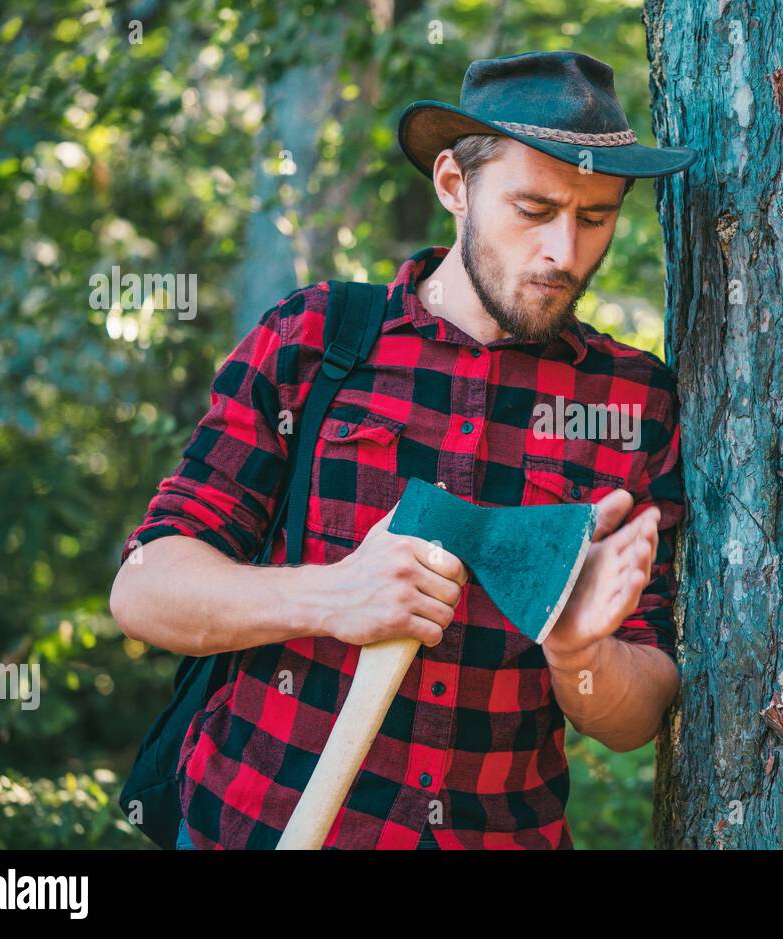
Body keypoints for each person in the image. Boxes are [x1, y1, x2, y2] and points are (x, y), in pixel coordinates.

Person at [111, 50, 694, 849]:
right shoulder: (317, 340)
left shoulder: (633, 403)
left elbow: (636, 714)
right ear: (455, 185)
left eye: (595, 216)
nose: (565, 250)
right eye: (534, 208)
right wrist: (329, 597)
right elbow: (143, 590)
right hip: (250, 824)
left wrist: (579, 648)